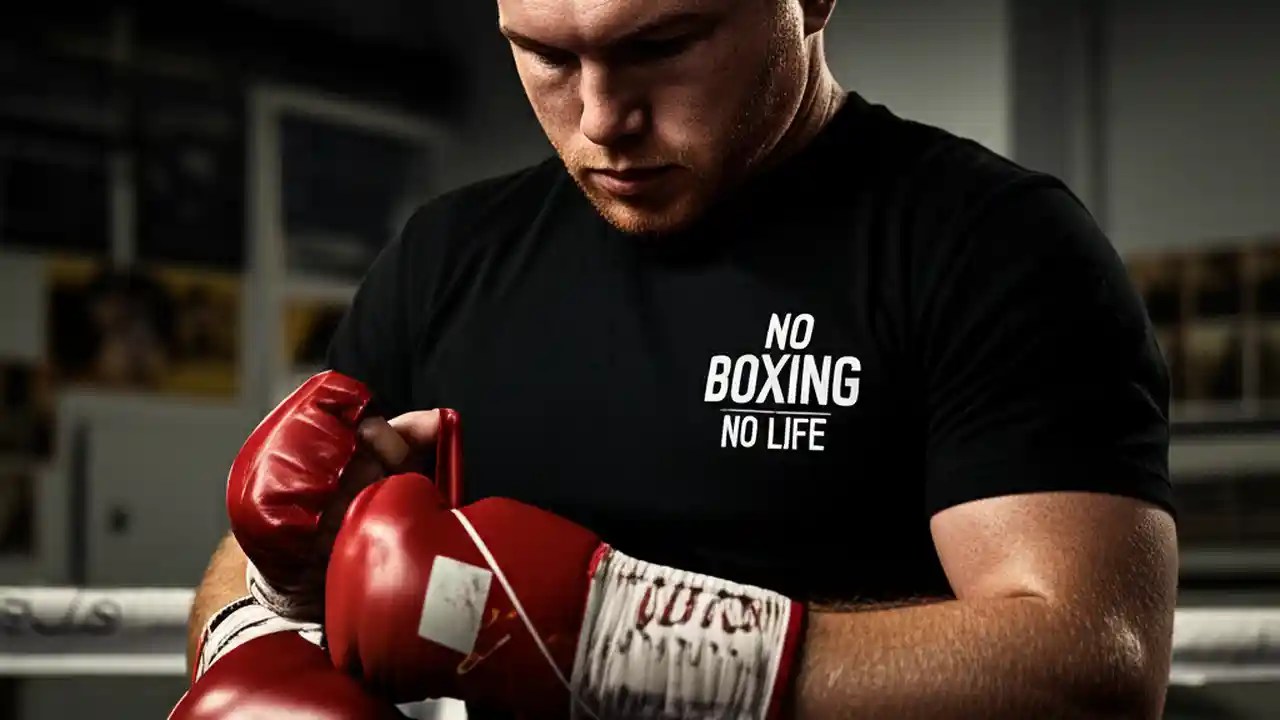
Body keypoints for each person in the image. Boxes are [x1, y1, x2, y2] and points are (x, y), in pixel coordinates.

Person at [173, 0, 1179, 718]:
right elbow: (244, 565)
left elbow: (1087, 666)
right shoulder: (448, 255)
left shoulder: (988, 242)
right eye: (546, 58)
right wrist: (275, 611)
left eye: (659, 46)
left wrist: (631, 643)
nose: (602, 119)